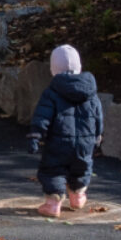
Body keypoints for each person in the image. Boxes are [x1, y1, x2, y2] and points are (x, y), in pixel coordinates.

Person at [27, 44, 103, 218]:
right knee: (81, 168)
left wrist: (35, 136)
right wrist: (98, 135)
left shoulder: (51, 92)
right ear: (79, 66)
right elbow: (98, 116)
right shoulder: (91, 92)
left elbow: (42, 117)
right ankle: (78, 197)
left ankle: (53, 204)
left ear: (53, 69)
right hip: (85, 143)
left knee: (53, 170)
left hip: (58, 143)